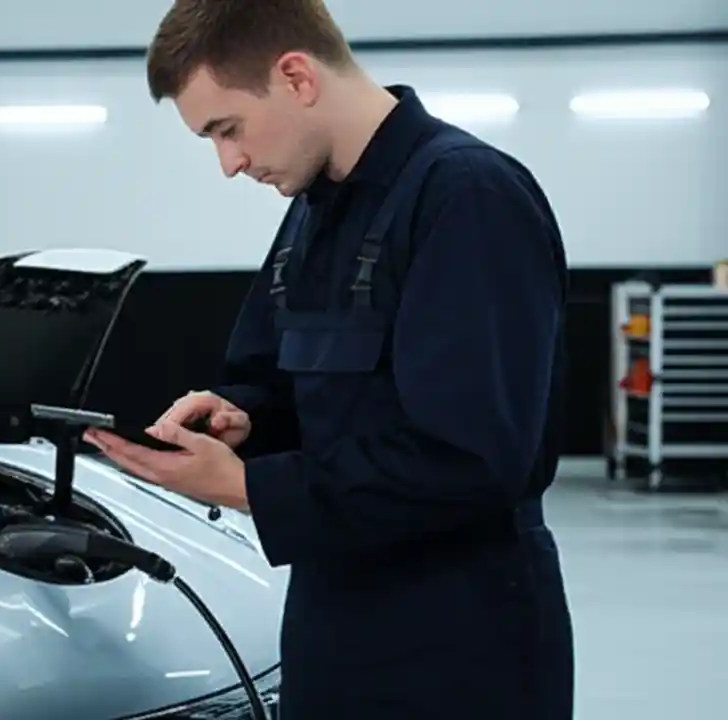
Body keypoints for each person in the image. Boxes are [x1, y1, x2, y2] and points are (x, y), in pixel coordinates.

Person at [81, 1, 575, 718]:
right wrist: (244, 419)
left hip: (461, 641)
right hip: (335, 621)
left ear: (296, 77)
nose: (229, 164)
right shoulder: (314, 211)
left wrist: (253, 490)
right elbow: (283, 381)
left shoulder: (466, 196)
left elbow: (474, 458)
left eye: (228, 129)